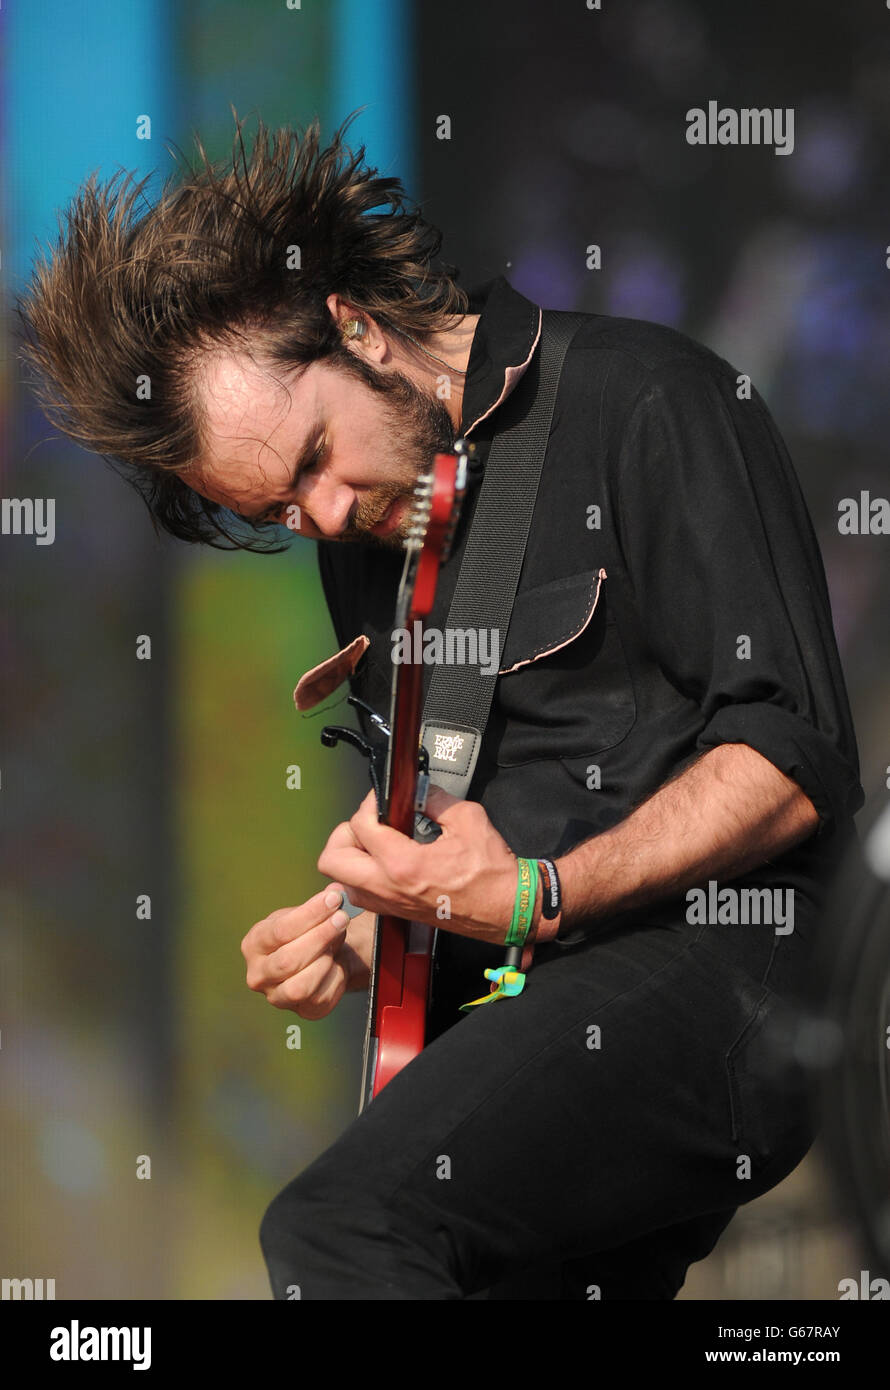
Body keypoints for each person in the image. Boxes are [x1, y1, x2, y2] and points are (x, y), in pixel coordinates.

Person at [17, 114, 864, 1300]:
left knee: (342, 1231)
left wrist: (538, 892)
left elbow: (793, 751)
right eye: (277, 511)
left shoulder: (645, 397)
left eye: (312, 458)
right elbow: (469, 801)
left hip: (724, 970)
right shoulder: (366, 530)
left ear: (356, 330)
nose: (319, 514)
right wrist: (374, 911)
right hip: (525, 1000)